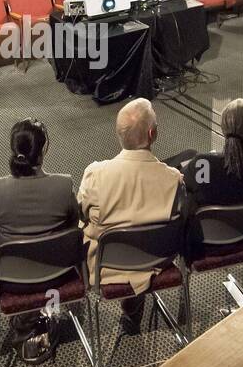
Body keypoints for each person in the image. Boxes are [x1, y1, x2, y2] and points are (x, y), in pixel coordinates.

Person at [78, 98, 185, 331]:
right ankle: (134, 306)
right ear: (152, 133)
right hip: (158, 260)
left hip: (105, 268)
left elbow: (79, 214)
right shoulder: (174, 180)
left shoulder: (95, 175)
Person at [0, 119, 81, 363]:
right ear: (43, 150)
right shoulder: (64, 184)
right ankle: (44, 313)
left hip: (11, 280)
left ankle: (28, 319)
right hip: (60, 273)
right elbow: (73, 227)